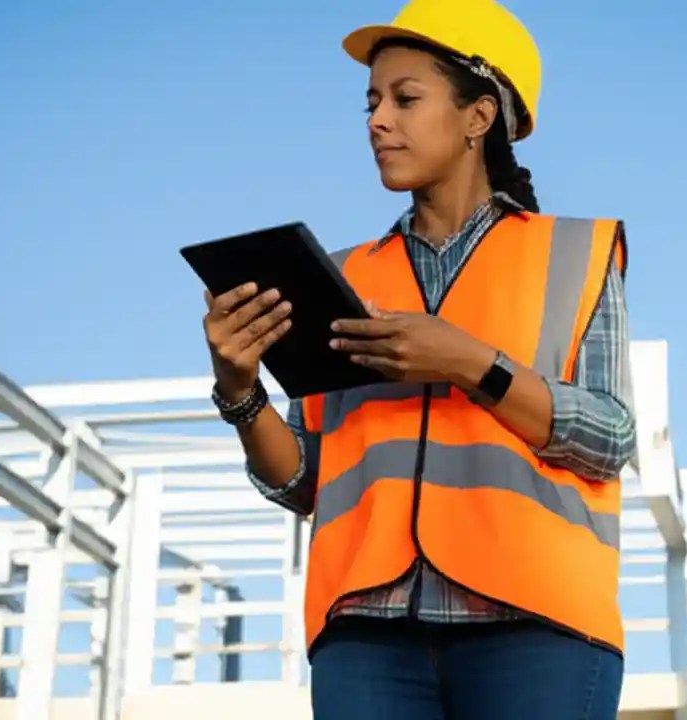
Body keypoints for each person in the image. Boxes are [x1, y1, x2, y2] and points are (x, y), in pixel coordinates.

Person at [200, 0, 636, 717]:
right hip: (366, 636)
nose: (377, 120)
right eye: (372, 102)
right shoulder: (338, 277)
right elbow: (303, 481)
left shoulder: (576, 254)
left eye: (405, 99)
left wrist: (473, 363)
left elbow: (611, 438)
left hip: (537, 628)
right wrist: (239, 388)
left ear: (478, 116)